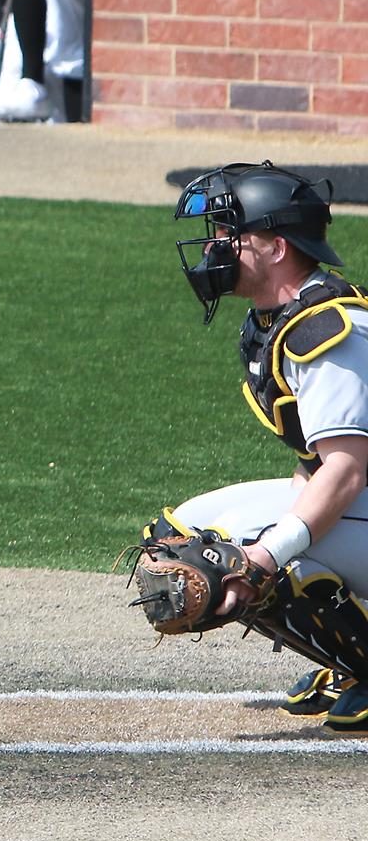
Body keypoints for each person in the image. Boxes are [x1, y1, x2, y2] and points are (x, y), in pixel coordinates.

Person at [164, 161, 368, 731]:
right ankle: (349, 656)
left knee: (241, 545)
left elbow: (347, 472)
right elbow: (314, 465)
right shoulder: (275, 321)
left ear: (277, 247)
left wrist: (262, 559)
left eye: (231, 233)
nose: (215, 248)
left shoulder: (327, 329)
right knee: (185, 535)